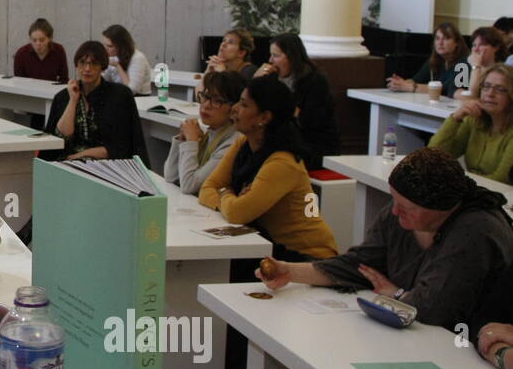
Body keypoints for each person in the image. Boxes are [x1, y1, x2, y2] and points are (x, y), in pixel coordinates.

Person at [258, 148, 513, 333]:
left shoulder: (476, 232)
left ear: (440, 208)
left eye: (405, 206)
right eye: (395, 201)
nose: (394, 211)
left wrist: (397, 293)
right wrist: (290, 271)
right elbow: (360, 265)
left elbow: (434, 309)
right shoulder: (405, 214)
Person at [200, 75, 338, 260]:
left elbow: (237, 213)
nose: (235, 109)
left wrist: (225, 192)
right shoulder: (243, 143)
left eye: (244, 104)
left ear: (264, 117)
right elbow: (207, 188)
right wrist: (232, 196)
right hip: (266, 246)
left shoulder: (282, 162)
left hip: (306, 256)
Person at [45, 40, 146, 163]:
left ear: (102, 67)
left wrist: (82, 155)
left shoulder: (119, 96)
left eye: (94, 63)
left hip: (106, 164)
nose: (87, 68)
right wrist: (73, 100)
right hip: (67, 161)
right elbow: (62, 138)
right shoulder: (63, 97)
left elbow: (121, 146)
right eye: (82, 62)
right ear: (76, 65)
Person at [252, 32, 339, 168]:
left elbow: (311, 121)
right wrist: (256, 83)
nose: (270, 60)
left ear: (292, 57)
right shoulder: (273, 78)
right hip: (286, 141)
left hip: (313, 146)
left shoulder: (315, 81)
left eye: (276, 56)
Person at [428, 63, 513, 183]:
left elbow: (502, 180)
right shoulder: (474, 120)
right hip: (472, 190)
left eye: (500, 90)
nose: (490, 94)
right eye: (486, 86)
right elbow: (433, 155)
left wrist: (459, 185)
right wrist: (456, 118)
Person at [163, 70, 244, 195]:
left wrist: (191, 141)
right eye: (205, 97)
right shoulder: (210, 131)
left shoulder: (233, 142)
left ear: (234, 108)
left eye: (217, 101)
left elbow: (189, 186)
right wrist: (182, 139)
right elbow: (170, 176)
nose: (206, 105)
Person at [386, 22, 469, 97]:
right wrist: (401, 83)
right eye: (437, 38)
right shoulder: (435, 60)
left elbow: (446, 90)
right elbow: (417, 79)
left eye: (446, 38)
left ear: (457, 43)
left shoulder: (464, 63)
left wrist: (411, 87)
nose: (440, 43)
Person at [101, 23, 152, 95]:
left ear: (121, 46)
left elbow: (131, 90)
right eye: (105, 45)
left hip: (139, 99)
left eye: (110, 46)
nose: (105, 49)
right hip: (120, 96)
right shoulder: (113, 56)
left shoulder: (138, 58)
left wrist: (118, 66)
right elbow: (104, 80)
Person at [12, 17, 67, 82]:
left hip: (51, 90)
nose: (38, 44)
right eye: (34, 40)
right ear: (30, 39)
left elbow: (64, 79)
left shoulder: (59, 50)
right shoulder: (21, 53)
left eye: (42, 40)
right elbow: (18, 82)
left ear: (50, 38)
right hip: (27, 90)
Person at [464, 25, 508, 95]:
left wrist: (476, 67)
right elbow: (456, 92)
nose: (476, 49)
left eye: (482, 45)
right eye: (474, 45)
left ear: (496, 47)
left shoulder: (502, 71)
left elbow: (472, 94)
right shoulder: (465, 66)